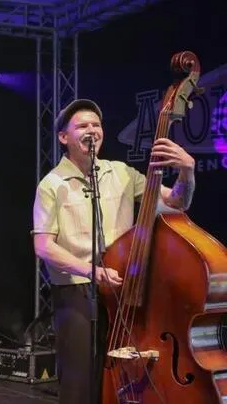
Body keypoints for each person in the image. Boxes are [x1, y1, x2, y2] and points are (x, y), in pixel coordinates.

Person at [31, 98, 195, 404]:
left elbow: (176, 203)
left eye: (96, 124)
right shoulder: (51, 184)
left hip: (124, 290)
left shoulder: (121, 173)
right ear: (64, 137)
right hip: (77, 293)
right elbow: (43, 246)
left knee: (124, 377)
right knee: (80, 384)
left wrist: (187, 171)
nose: (92, 130)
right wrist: (92, 271)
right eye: (82, 125)